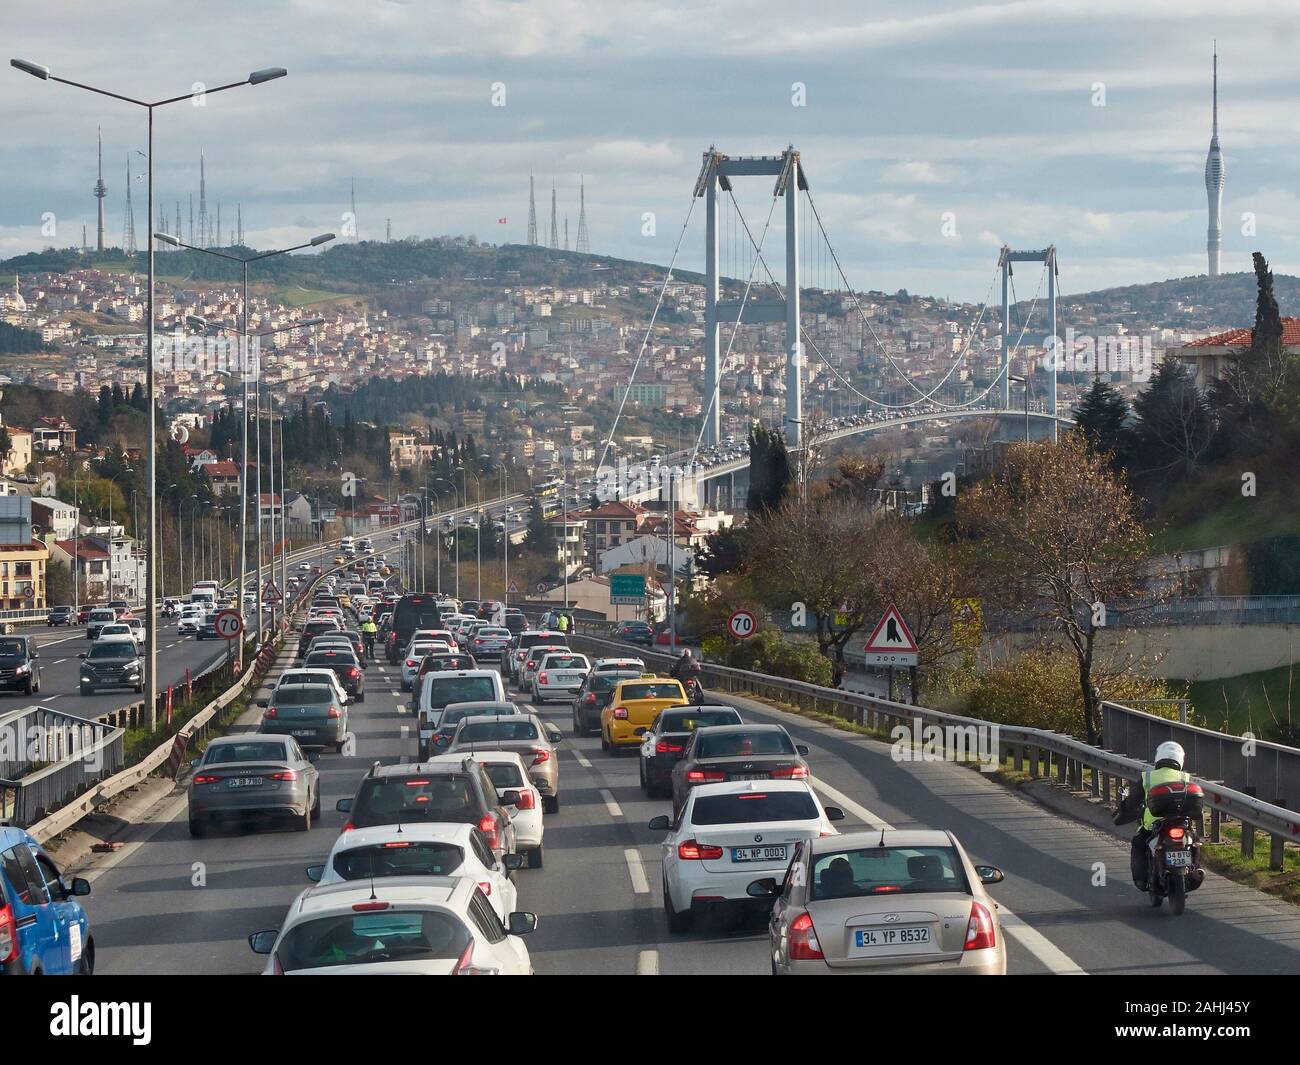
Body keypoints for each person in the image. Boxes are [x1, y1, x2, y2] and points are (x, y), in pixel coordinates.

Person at [1113, 740, 1202, 892]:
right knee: (1195, 841)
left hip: (1153, 824)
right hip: (1181, 823)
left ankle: (1141, 880)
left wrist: (1122, 812)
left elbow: (1133, 801)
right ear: (1180, 759)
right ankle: (1196, 870)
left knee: (1138, 843)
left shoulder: (1148, 777)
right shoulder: (1185, 777)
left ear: (1158, 758)